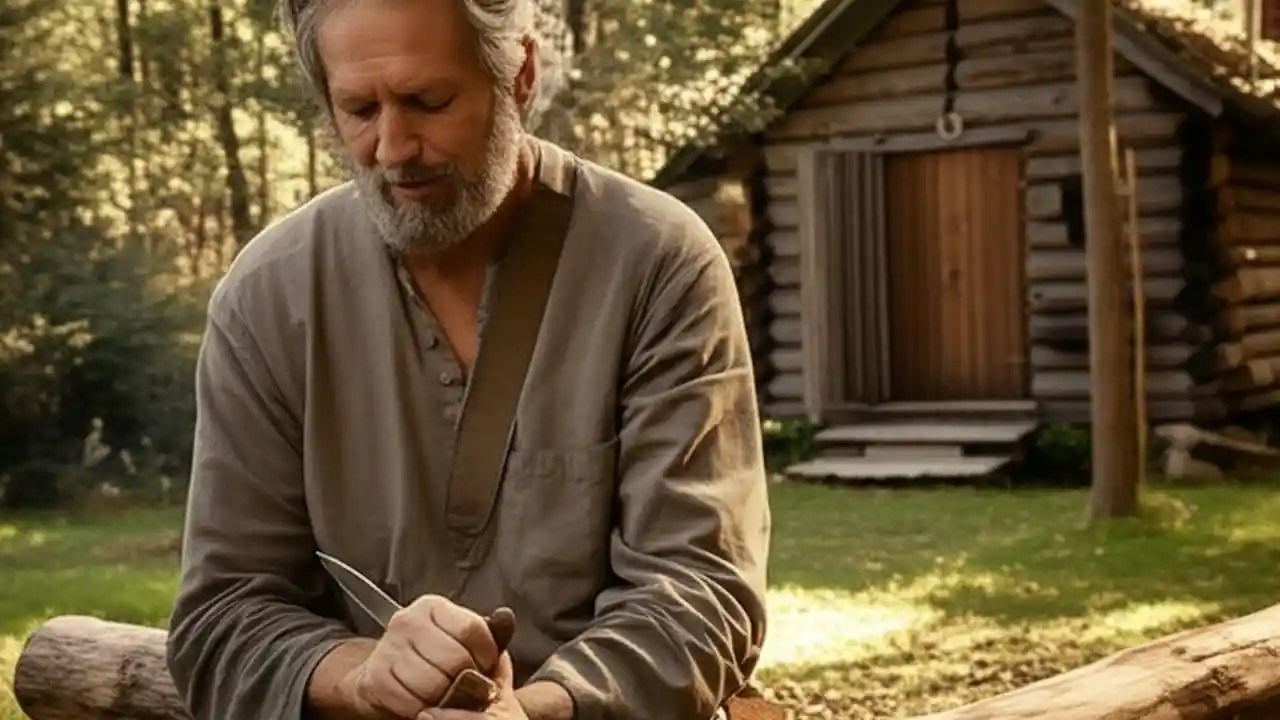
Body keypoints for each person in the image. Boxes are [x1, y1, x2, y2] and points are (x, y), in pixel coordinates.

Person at [164, 0, 772, 718]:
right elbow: (222, 616)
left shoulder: (656, 262)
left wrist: (539, 708)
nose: (393, 147)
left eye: (427, 102)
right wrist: (364, 674)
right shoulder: (269, 295)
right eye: (358, 109)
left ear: (519, 75)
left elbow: (701, 589)